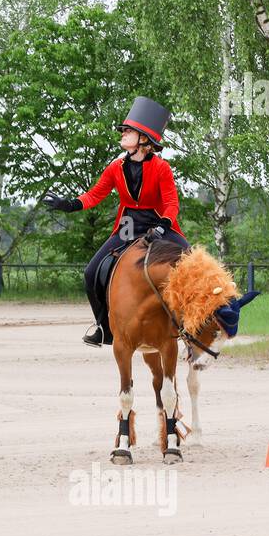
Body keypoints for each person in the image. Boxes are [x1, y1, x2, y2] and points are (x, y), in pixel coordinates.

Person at [45, 97, 191, 348]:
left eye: (129, 131)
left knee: (190, 259)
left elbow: (171, 204)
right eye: (124, 130)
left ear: (144, 140)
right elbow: (94, 195)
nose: (123, 134)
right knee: (91, 272)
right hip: (127, 226)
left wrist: (162, 227)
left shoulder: (162, 168)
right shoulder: (115, 167)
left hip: (158, 225)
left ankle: (192, 325)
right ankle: (103, 327)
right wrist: (68, 204)